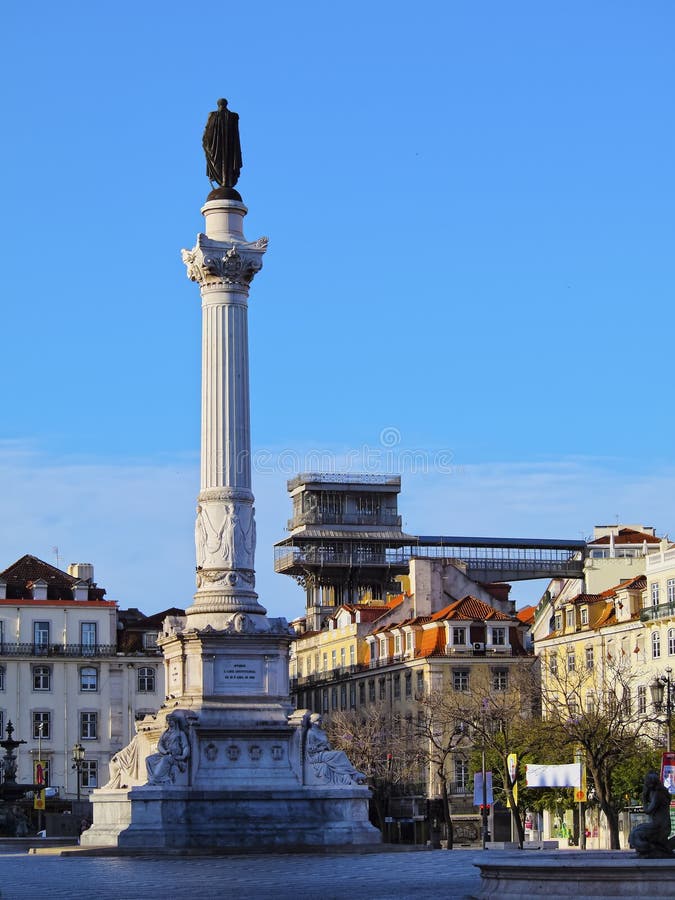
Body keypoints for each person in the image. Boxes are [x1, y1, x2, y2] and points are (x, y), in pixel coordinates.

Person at [305, 714, 366, 786]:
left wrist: (328, 746)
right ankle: (354, 773)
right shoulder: (310, 733)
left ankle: (350, 776)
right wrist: (322, 747)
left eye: (321, 720)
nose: (321, 722)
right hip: (315, 756)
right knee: (340, 754)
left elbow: (328, 745)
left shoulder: (322, 732)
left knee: (340, 755)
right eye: (318, 720)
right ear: (313, 722)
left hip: (325, 752)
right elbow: (310, 749)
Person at [629, 772, 674, 857]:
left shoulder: (658, 794)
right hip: (661, 825)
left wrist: (644, 799)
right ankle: (650, 851)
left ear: (651, 783)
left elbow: (648, 810)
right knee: (636, 831)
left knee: (635, 834)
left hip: (660, 827)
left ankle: (650, 851)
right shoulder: (658, 792)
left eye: (646, 782)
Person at [202, 99, 243, 189]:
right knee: (227, 162)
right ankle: (225, 180)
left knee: (220, 162)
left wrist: (205, 142)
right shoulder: (233, 116)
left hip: (223, 147)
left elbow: (206, 132)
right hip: (227, 147)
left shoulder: (215, 115)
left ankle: (223, 181)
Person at [146, 714, 190, 785]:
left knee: (165, 760)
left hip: (174, 756)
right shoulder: (165, 733)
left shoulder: (180, 734)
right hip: (164, 754)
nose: (169, 722)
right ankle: (151, 780)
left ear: (175, 722)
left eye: (171, 720)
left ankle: (157, 779)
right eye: (168, 720)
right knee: (148, 759)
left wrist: (183, 756)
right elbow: (160, 745)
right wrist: (165, 751)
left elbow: (186, 746)